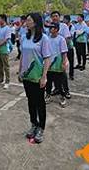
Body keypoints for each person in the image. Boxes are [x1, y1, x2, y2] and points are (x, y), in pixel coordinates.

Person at [19, 13, 51, 144]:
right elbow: (22, 55)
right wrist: (20, 71)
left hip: (37, 76)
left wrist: (44, 76)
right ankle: (34, 124)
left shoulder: (43, 38)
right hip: (27, 76)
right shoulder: (24, 37)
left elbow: (47, 58)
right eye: (26, 20)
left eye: (29, 20)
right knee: (30, 101)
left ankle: (41, 128)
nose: (26, 22)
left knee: (40, 103)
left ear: (36, 22)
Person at [44, 22, 68, 108]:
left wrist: (63, 62)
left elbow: (64, 52)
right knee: (48, 82)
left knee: (59, 83)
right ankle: (48, 95)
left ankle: (62, 96)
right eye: (50, 28)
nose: (50, 29)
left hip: (58, 65)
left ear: (57, 29)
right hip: (48, 65)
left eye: (52, 28)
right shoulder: (47, 38)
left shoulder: (61, 39)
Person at [51, 12, 72, 99]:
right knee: (54, 72)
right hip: (53, 54)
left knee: (62, 73)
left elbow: (67, 38)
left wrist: (63, 51)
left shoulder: (64, 26)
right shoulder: (50, 26)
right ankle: (57, 89)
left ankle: (66, 91)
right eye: (53, 16)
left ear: (60, 17)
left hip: (62, 52)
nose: (54, 18)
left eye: (56, 16)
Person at [0, 14, 12, 89]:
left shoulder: (7, 28)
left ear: (3, 19)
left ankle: (7, 81)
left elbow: (6, 39)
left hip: (4, 49)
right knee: (0, 66)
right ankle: (0, 80)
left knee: (6, 66)